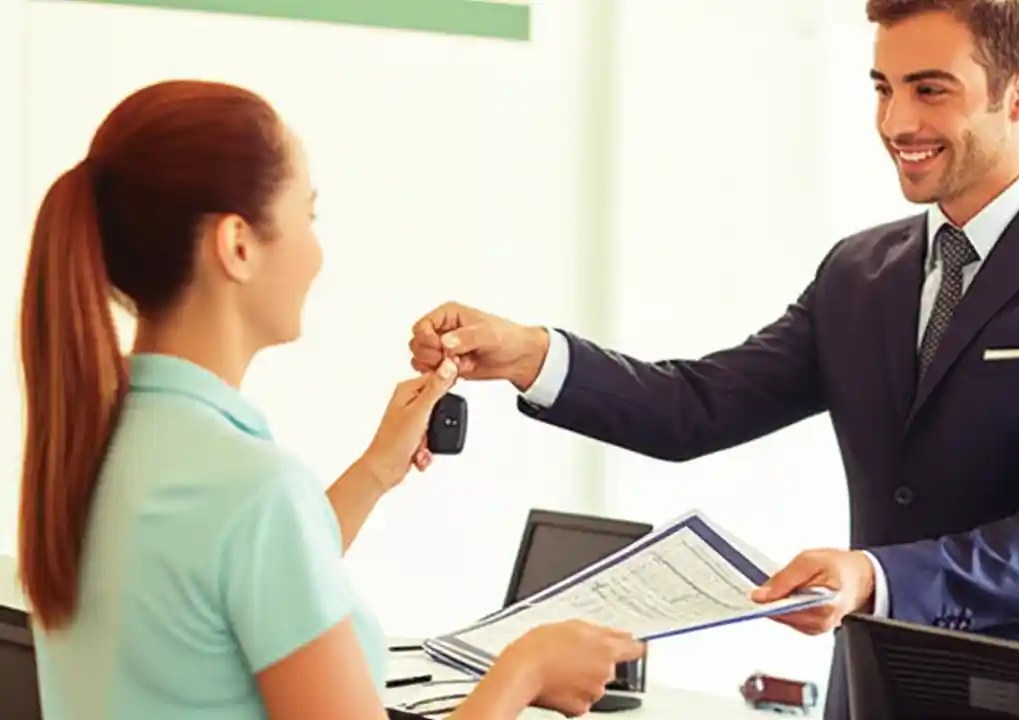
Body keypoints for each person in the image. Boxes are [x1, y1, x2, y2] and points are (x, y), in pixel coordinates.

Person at [408, 0, 1019, 717]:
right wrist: (531, 356)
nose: (896, 122)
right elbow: (699, 405)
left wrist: (874, 577)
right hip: (871, 691)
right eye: (882, 89)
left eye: (930, 90)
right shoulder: (860, 273)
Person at [16, 79, 643, 720]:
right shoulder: (251, 490)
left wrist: (375, 470)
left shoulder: (101, 443)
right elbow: (253, 537)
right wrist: (525, 670)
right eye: (307, 216)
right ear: (237, 246)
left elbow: (231, 577)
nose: (317, 253)